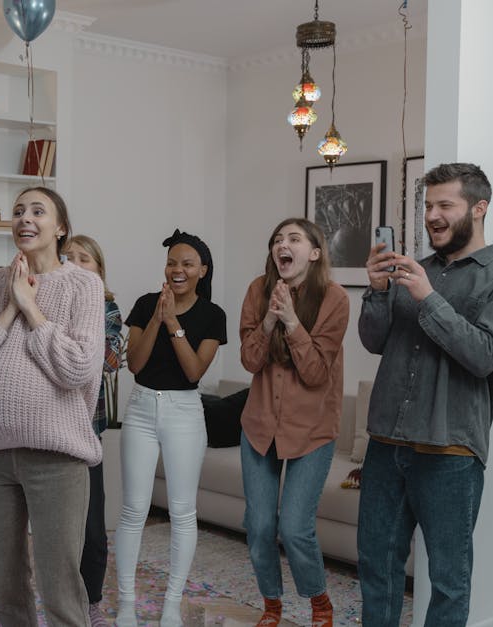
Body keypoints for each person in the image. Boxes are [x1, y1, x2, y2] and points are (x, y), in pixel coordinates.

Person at [357, 162, 493, 625]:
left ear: (479, 209)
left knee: (449, 582)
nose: (432, 215)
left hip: (451, 452)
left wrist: (428, 298)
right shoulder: (413, 270)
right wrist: (376, 292)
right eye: (428, 205)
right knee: (377, 570)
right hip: (386, 445)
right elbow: (374, 342)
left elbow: (484, 354)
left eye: (444, 205)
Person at [0, 187, 105, 627]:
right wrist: (9, 309)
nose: (25, 219)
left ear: (61, 228)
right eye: (18, 211)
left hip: (58, 458)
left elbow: (77, 367)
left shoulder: (84, 285)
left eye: (38, 211)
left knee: (60, 587)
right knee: (6, 586)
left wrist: (32, 308)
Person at [238, 218, 349, 627]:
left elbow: (317, 373)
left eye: (294, 239)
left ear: (314, 252)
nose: (282, 245)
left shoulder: (335, 299)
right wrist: (269, 319)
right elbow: (250, 360)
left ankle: (319, 602)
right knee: (260, 526)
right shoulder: (258, 290)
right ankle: (272, 605)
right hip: (260, 426)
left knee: (297, 528)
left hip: (312, 430)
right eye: (277, 240)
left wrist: (291, 321)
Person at [114, 230, 227, 627]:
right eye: (172, 263)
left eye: (187, 264)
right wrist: (158, 320)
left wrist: (175, 323)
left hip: (183, 412)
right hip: (142, 406)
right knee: (133, 510)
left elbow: (194, 370)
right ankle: (126, 603)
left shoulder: (213, 315)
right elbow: (135, 365)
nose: (177, 270)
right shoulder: (147, 304)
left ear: (202, 271)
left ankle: (172, 605)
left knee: (182, 512)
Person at [63, 235, 124, 627]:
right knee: (58, 532)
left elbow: (107, 361)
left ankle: (92, 604)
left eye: (84, 259)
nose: (74, 263)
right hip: (46, 430)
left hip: (87, 432)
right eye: (67, 258)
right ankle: (60, 602)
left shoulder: (109, 309)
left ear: (99, 271)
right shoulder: (45, 302)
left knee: (92, 526)